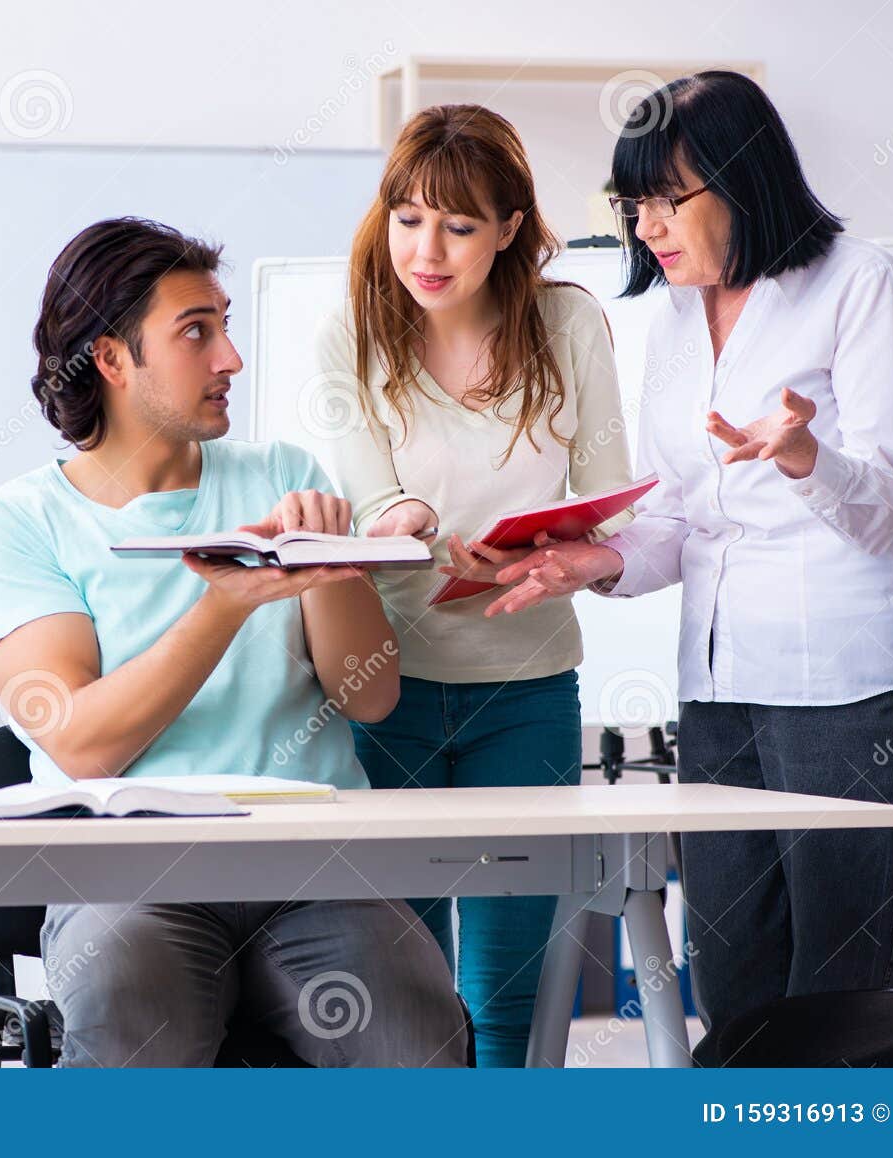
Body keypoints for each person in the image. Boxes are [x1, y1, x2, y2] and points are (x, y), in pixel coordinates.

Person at [486, 71, 893, 1054]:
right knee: (729, 978)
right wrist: (591, 561)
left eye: (666, 197)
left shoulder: (858, 285)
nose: (645, 223)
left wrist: (803, 457)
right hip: (719, 687)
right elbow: (681, 520)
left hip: (847, 688)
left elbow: (889, 504)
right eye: (631, 203)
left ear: (744, 178)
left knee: (844, 997)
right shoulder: (677, 318)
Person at [0, 216, 470, 1067]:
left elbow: (371, 696)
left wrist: (329, 568)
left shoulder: (287, 478)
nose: (230, 357)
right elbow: (84, 745)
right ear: (112, 360)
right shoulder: (15, 525)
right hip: (127, 880)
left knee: (417, 1039)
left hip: (312, 874)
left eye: (225, 326)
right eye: (197, 332)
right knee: (134, 1035)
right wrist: (227, 603)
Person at [311, 103, 635, 1067]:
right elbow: (375, 501)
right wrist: (399, 520)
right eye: (409, 218)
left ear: (509, 229)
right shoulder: (353, 332)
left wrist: (553, 545)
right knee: (402, 995)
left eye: (460, 225)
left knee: (512, 995)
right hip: (386, 685)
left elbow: (608, 503)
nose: (430, 249)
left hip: (526, 686)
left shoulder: (568, 320)